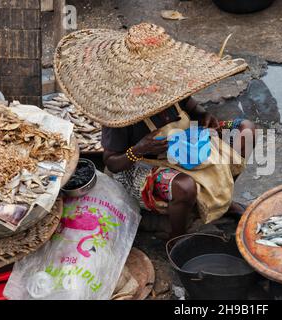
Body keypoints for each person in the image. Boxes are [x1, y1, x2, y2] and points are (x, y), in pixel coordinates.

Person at [54, 22, 255, 238]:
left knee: (246, 129)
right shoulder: (120, 111)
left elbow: (193, 108)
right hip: (143, 164)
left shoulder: (170, 84)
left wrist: (205, 116)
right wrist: (140, 149)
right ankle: (177, 237)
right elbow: (112, 162)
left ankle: (222, 201)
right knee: (184, 187)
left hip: (188, 148)